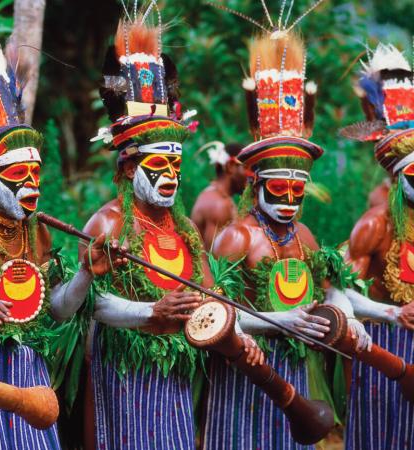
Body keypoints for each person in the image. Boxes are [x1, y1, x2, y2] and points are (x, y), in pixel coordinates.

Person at [0, 8, 116, 449]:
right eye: (18, 177)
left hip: (31, 372)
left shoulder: (38, 234)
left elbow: (57, 311)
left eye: (35, 175)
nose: (31, 186)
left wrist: (86, 273)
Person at [83, 4, 262, 448]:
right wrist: (149, 312)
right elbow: (89, 303)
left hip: (176, 370)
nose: (170, 176)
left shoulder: (182, 228)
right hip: (124, 369)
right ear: (127, 169)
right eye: (157, 164)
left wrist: (238, 334)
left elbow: (208, 296)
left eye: (176, 165)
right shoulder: (107, 221)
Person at [205, 11, 371, 449]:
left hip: (295, 368)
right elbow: (212, 313)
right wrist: (279, 320)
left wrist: (347, 311)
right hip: (248, 372)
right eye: (279, 188)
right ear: (256, 182)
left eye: (298, 191)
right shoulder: (236, 237)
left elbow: (331, 288)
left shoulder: (305, 237)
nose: (290, 201)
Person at [340, 42, 414, 449]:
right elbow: (340, 292)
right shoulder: (374, 226)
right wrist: (390, 311)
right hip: (387, 351)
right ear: (399, 178)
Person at [191, 142, 247, 249]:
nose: (250, 176)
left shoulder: (221, 198)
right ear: (230, 166)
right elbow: (213, 259)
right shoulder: (218, 204)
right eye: (246, 167)